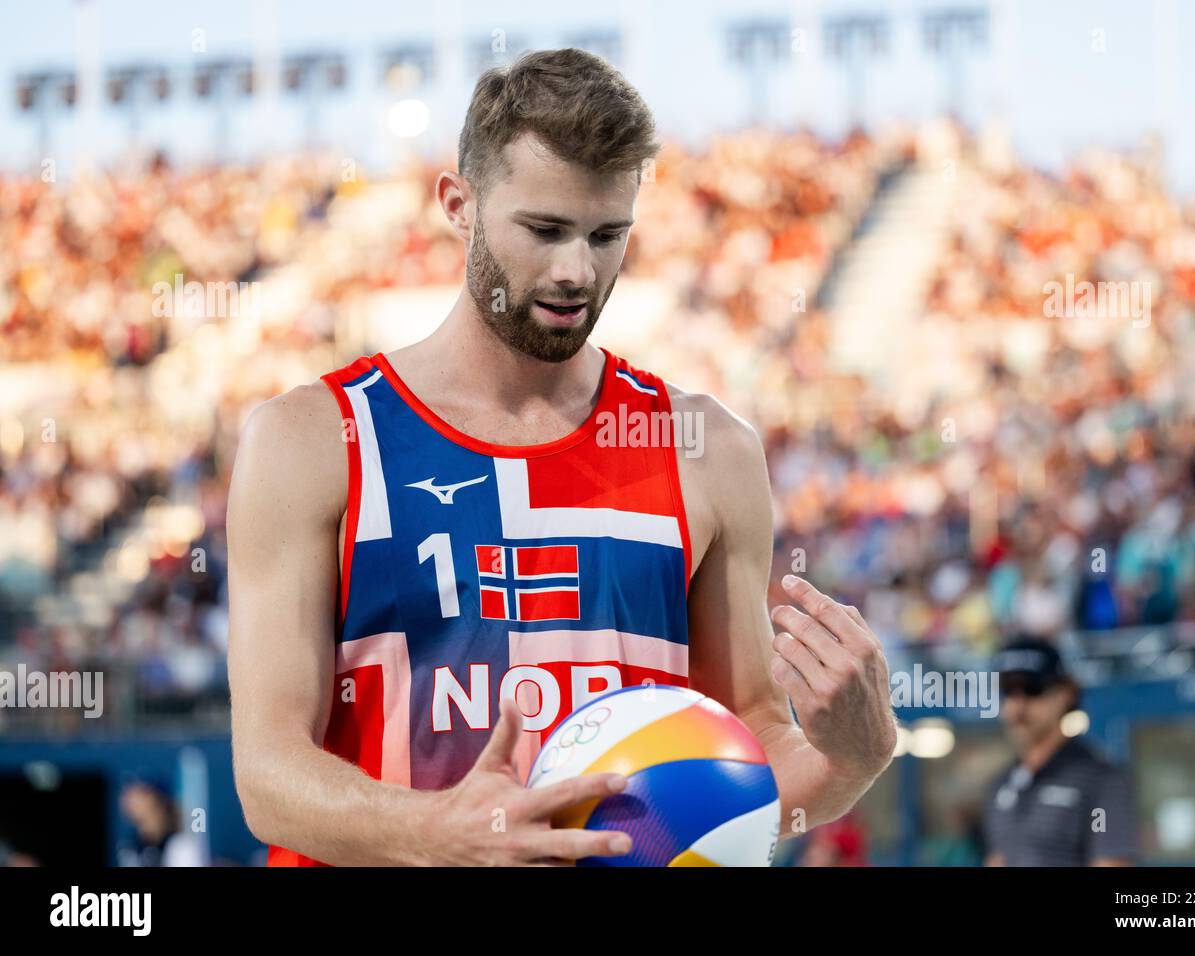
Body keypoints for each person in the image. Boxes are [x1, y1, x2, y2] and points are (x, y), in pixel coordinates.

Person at [226, 48, 898, 867]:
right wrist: (439, 835)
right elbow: (266, 777)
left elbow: (747, 754)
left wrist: (852, 759)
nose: (577, 270)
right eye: (544, 229)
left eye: (607, 234)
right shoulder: (314, 441)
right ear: (458, 205)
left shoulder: (707, 449)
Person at [983, 637, 1137, 866]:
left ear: (1066, 692)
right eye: (1007, 691)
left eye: (1032, 689)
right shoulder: (1001, 784)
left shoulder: (1101, 781)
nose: (1018, 705)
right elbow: (998, 858)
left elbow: (1111, 861)